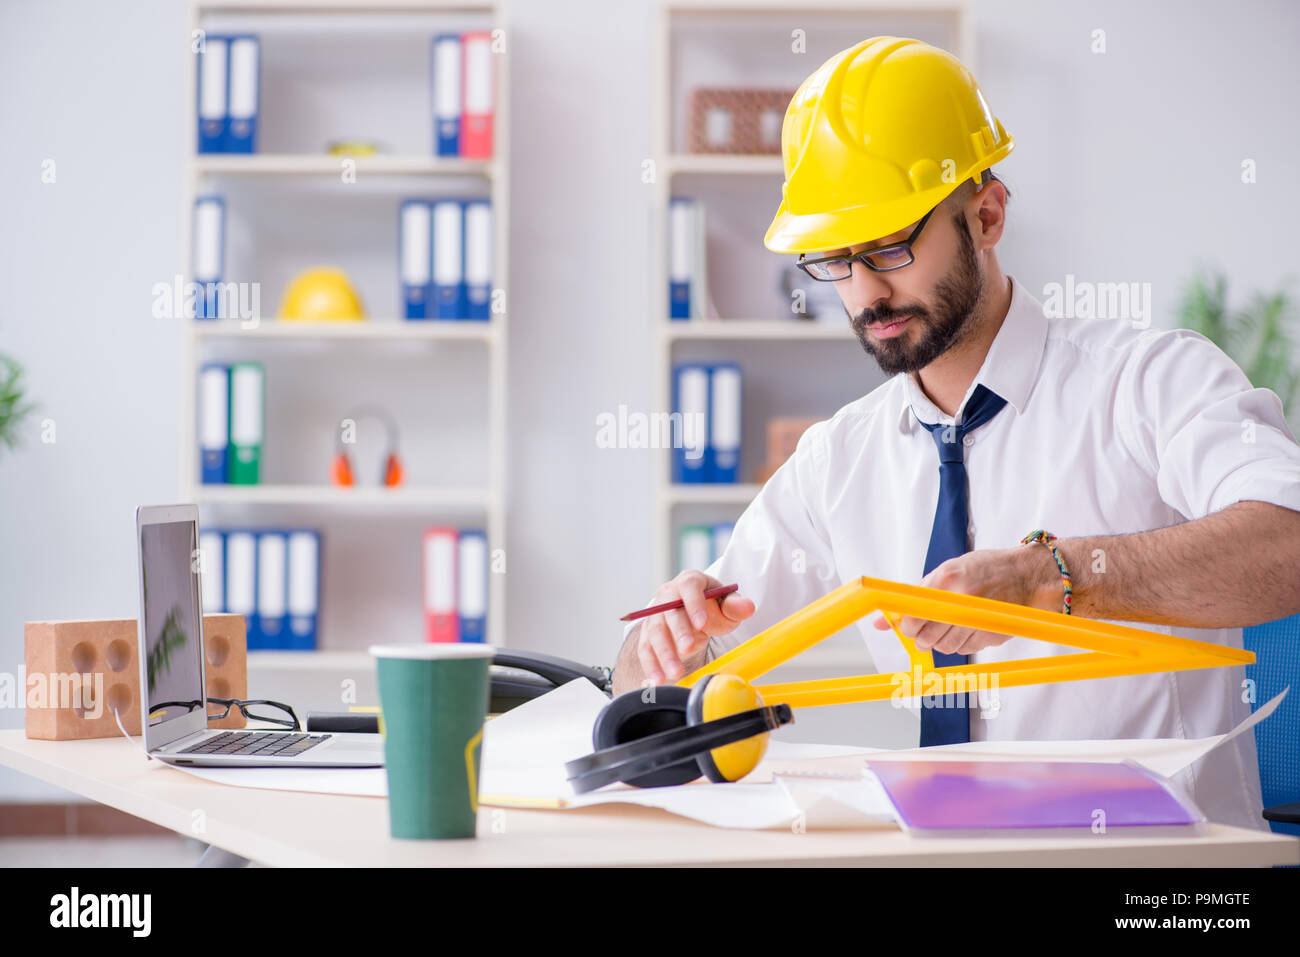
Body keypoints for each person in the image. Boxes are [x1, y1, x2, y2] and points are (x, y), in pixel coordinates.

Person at [612, 36, 1300, 830]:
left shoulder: (1146, 382)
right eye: (834, 261)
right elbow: (665, 691)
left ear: (988, 213)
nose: (867, 291)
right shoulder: (838, 462)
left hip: (1155, 883)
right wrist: (663, 645)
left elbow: (1287, 543)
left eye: (891, 246)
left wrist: (1050, 576)